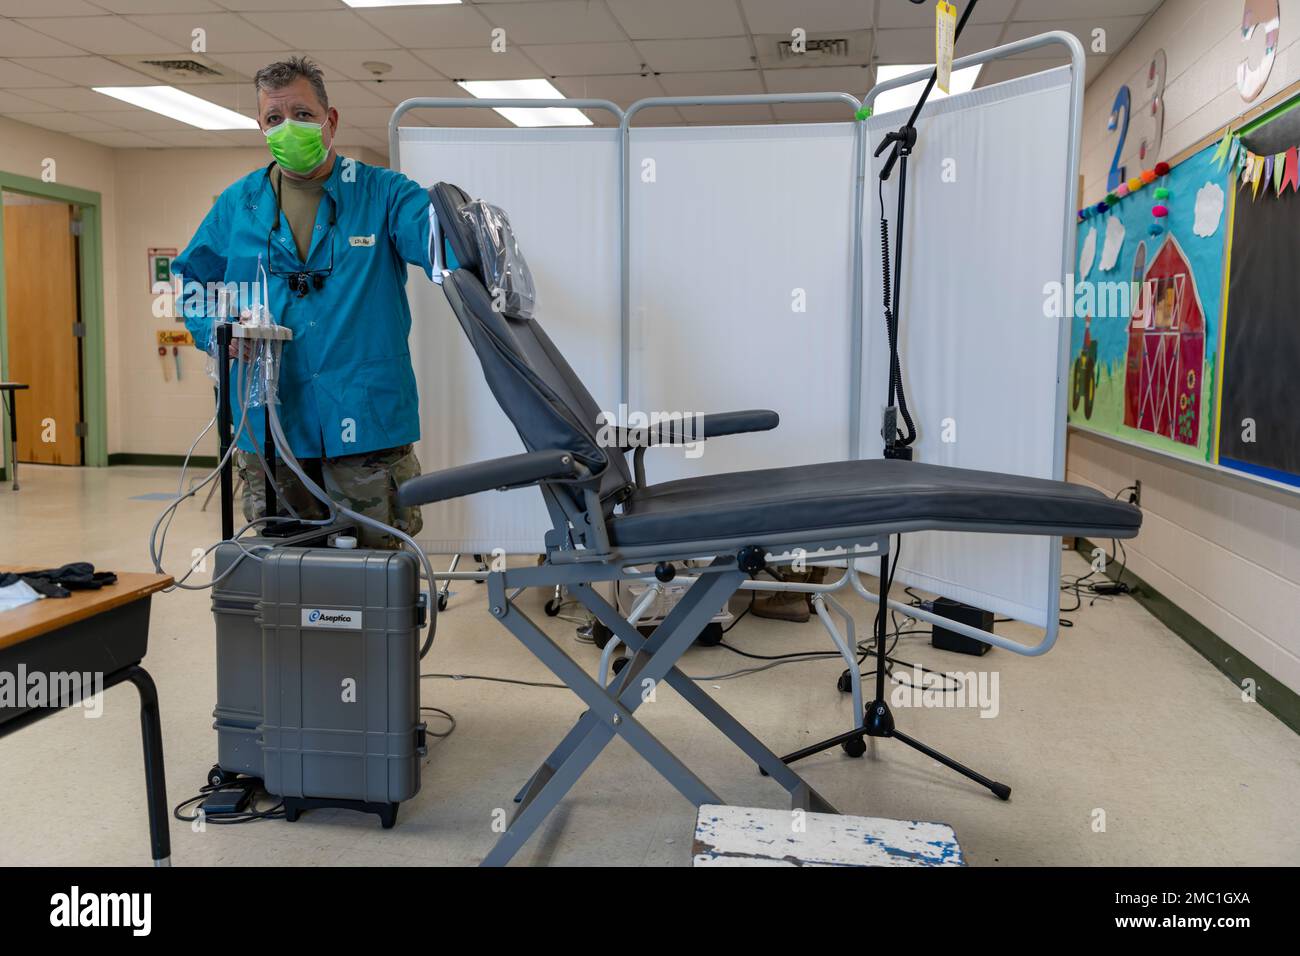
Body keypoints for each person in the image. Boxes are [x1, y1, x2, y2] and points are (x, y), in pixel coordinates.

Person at [174, 57, 437, 548]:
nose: (287, 127)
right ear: (261, 126)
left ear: (329, 120)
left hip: (366, 424)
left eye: (301, 113)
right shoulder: (238, 204)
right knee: (281, 577)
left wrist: (469, 234)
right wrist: (218, 331)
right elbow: (191, 281)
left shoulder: (382, 193)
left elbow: (437, 238)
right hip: (270, 425)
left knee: (374, 575)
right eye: (274, 119)